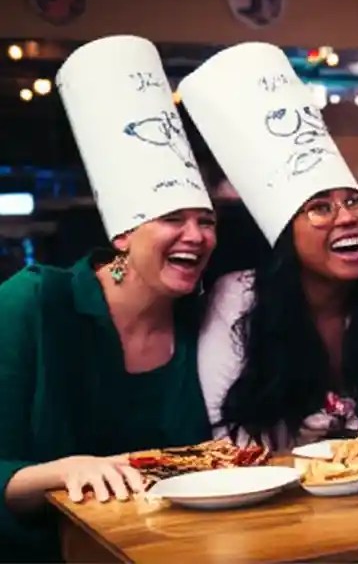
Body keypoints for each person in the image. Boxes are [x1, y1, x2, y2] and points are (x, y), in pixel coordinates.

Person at [0, 36, 216, 560]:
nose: (196, 235)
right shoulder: (32, 302)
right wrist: (65, 469)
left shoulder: (203, 321)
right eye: (173, 219)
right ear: (122, 234)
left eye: (206, 221)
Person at [181, 42, 358, 449]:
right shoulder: (239, 301)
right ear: (283, 233)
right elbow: (222, 439)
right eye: (320, 208)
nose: (347, 217)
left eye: (354, 201)